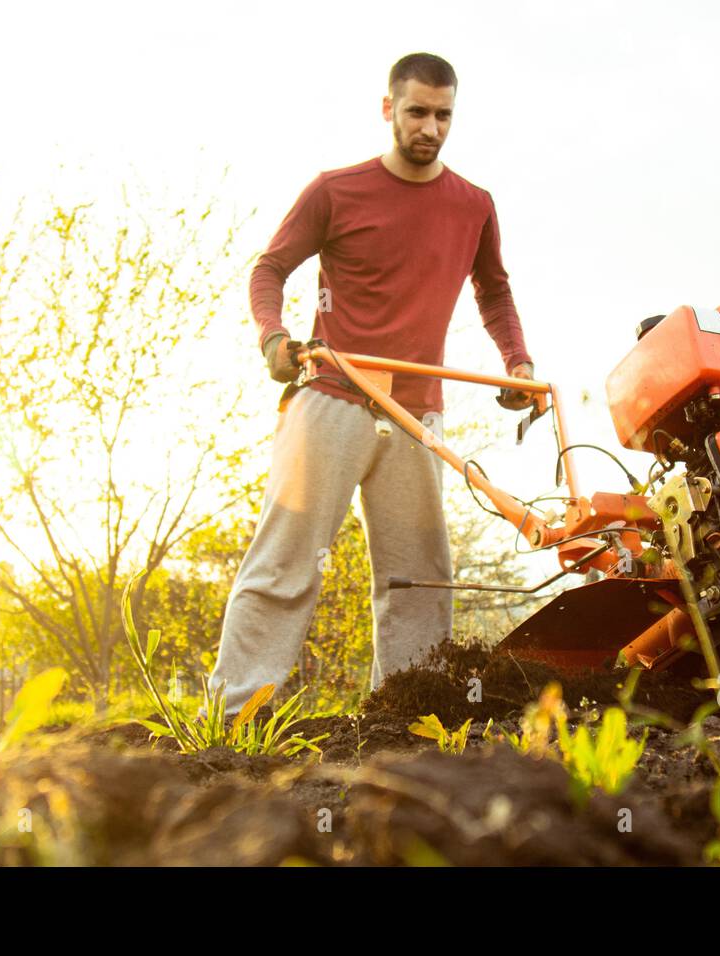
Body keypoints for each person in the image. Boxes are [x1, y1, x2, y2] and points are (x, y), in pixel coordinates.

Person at [206, 52, 536, 716]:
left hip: (417, 416)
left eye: (443, 116)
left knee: (420, 580)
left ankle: (407, 717)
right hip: (331, 399)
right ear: (388, 109)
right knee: (286, 563)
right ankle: (237, 714)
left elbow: (494, 291)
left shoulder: (473, 206)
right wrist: (273, 338)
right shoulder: (337, 190)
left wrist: (518, 363)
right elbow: (269, 269)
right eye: (417, 112)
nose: (430, 128)